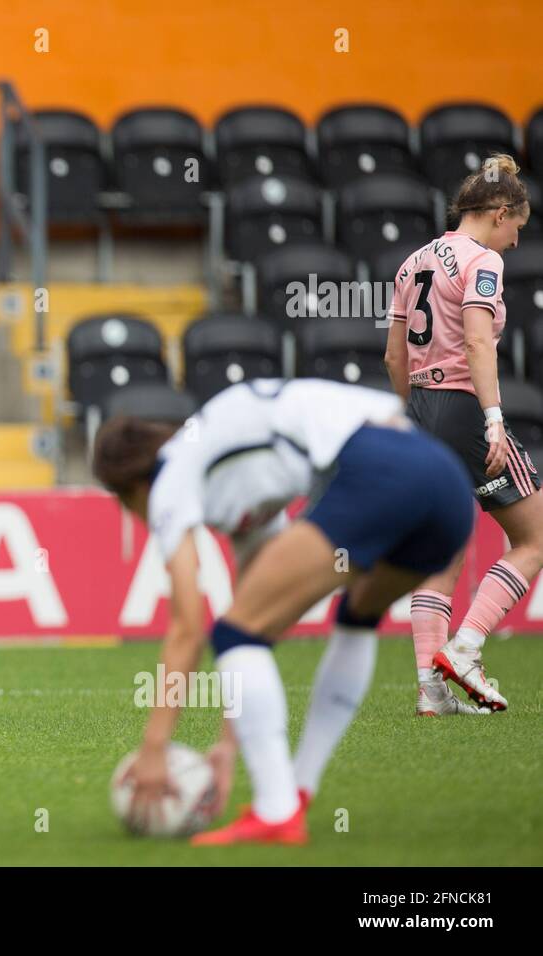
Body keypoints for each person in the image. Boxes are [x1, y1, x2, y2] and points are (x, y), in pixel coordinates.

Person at [97, 378, 474, 845]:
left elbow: (188, 631)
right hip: (446, 485)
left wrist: (154, 747)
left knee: (233, 636)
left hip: (381, 472)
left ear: (129, 489)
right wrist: (227, 746)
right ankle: (295, 792)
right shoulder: (237, 469)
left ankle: (276, 812)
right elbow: (252, 613)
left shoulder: (171, 476)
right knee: (355, 614)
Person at [384, 154, 533, 716]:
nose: (516, 241)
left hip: (421, 409)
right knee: (536, 537)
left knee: (443, 549)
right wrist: (492, 418)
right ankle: (466, 648)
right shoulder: (483, 261)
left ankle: (431, 688)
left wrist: (413, 418)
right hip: (463, 408)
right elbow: (476, 342)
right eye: (517, 226)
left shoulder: (411, 263)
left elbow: (393, 357)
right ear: (499, 214)